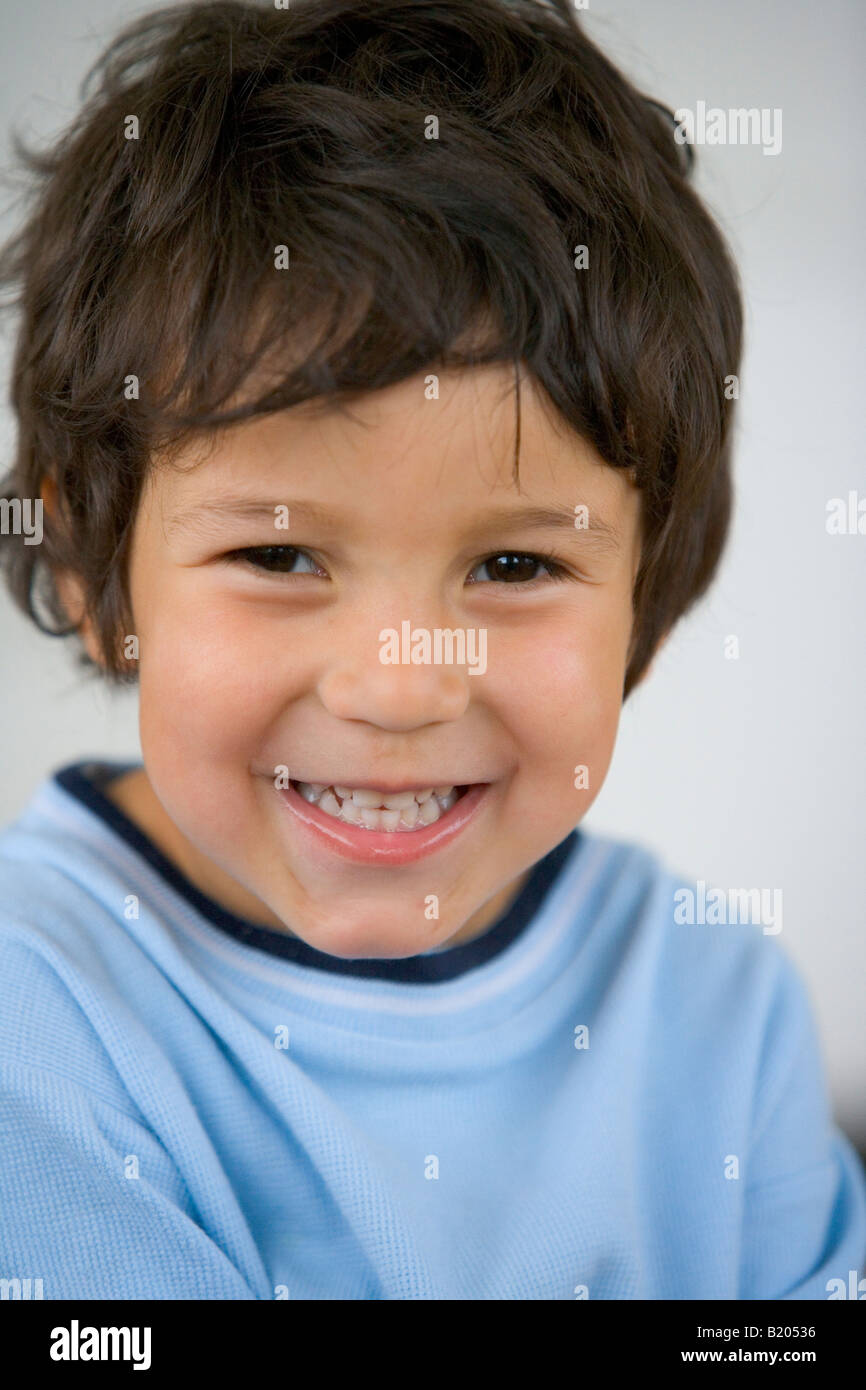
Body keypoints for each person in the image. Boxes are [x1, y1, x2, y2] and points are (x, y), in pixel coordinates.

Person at [0, 0, 863, 1300]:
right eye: (280, 556)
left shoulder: (720, 1007)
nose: (398, 682)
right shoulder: (35, 1017)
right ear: (94, 570)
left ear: (648, 596)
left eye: (515, 565)